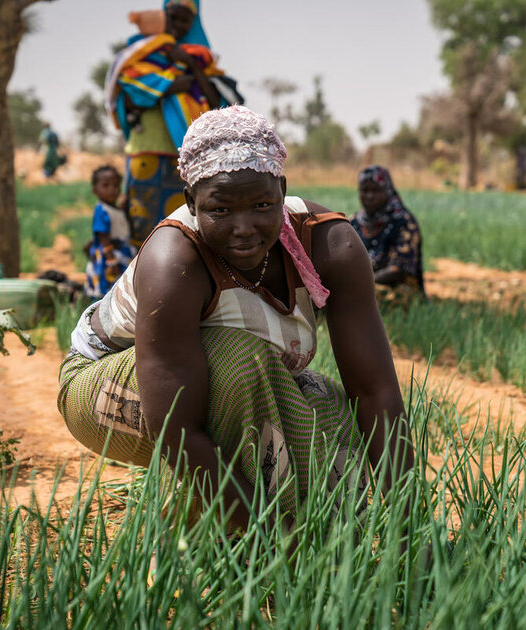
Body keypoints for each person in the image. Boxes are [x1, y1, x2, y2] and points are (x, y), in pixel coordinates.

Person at [58, 106, 414, 531]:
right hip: (104, 387)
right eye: (221, 210)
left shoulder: (330, 244)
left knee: (327, 406)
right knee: (237, 359)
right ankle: (201, 541)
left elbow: (374, 391)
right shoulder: (175, 259)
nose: (244, 228)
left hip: (220, 382)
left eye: (262, 205)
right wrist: (271, 537)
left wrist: (409, 527)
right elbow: (177, 430)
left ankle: (325, 535)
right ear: (192, 202)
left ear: (282, 190)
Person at [104, 0, 242, 248]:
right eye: (171, 17)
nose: (177, 24)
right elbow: (128, 99)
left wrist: (189, 63)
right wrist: (170, 86)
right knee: (141, 226)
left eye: (184, 19)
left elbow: (217, 104)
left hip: (187, 160)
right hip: (145, 154)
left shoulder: (201, 59)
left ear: (193, 22)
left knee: (183, 230)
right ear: (162, 17)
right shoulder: (142, 54)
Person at [351, 165, 425, 300]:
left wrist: (361, 283)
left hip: (396, 287)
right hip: (362, 284)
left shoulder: (403, 222)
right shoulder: (354, 222)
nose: (369, 196)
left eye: (376, 190)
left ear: (387, 191)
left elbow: (398, 270)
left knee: (361, 299)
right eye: (365, 190)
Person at [84, 165, 136, 299]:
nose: (112, 190)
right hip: (111, 253)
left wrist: (123, 208)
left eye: (116, 185)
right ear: (95, 190)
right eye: (105, 185)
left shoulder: (115, 209)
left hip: (122, 251)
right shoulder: (101, 210)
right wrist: (111, 260)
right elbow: (103, 237)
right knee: (109, 286)